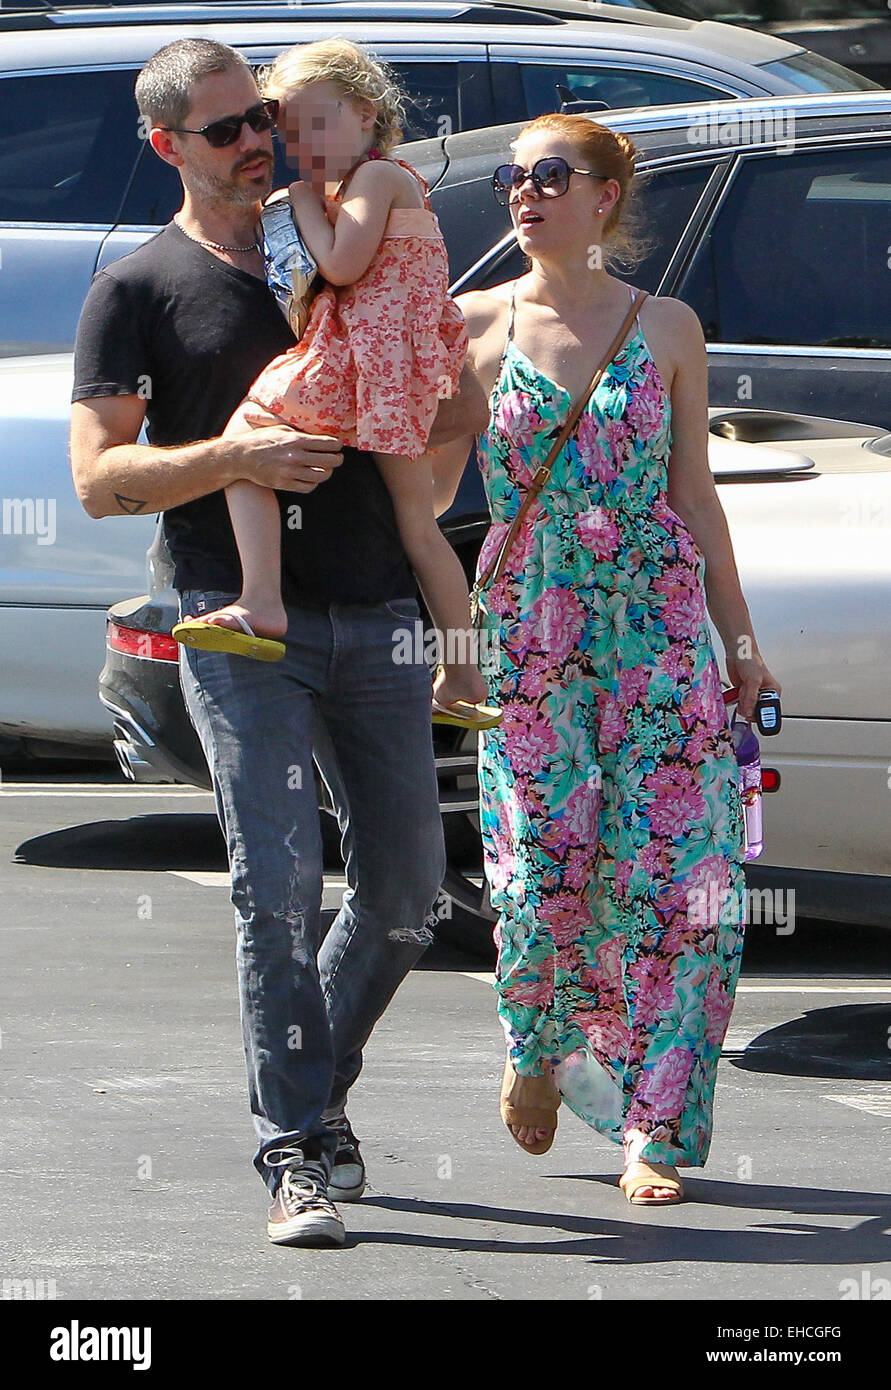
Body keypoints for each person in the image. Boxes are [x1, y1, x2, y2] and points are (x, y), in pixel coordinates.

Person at [69, 38, 486, 1247]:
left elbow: (449, 407)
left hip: (381, 617)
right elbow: (98, 481)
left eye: (263, 115)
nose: (258, 141)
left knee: (410, 894)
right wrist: (236, 457)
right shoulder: (140, 289)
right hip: (241, 626)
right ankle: (295, 1145)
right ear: (168, 149)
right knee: (279, 892)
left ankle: (316, 1086)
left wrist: (448, 368)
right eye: (225, 130)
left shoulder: (343, 241)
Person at [432, 115, 782, 1205]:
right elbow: (423, 502)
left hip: (659, 631)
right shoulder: (475, 324)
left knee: (684, 879)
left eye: (548, 176)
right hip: (533, 633)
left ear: (605, 197)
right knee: (541, 869)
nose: (524, 194)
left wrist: (741, 643)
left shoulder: (669, 327)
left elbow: (696, 497)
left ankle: (655, 1126)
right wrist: (451, 649)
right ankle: (537, 1046)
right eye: (510, 180)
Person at [172, 38, 493, 725]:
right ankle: (462, 676)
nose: (305, 147)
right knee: (419, 527)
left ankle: (260, 600)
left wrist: (302, 205)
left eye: (318, 125)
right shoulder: (384, 181)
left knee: (245, 440)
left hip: (365, 366)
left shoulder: (374, 180)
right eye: (292, 136)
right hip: (395, 370)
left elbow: (342, 267)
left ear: (367, 112)